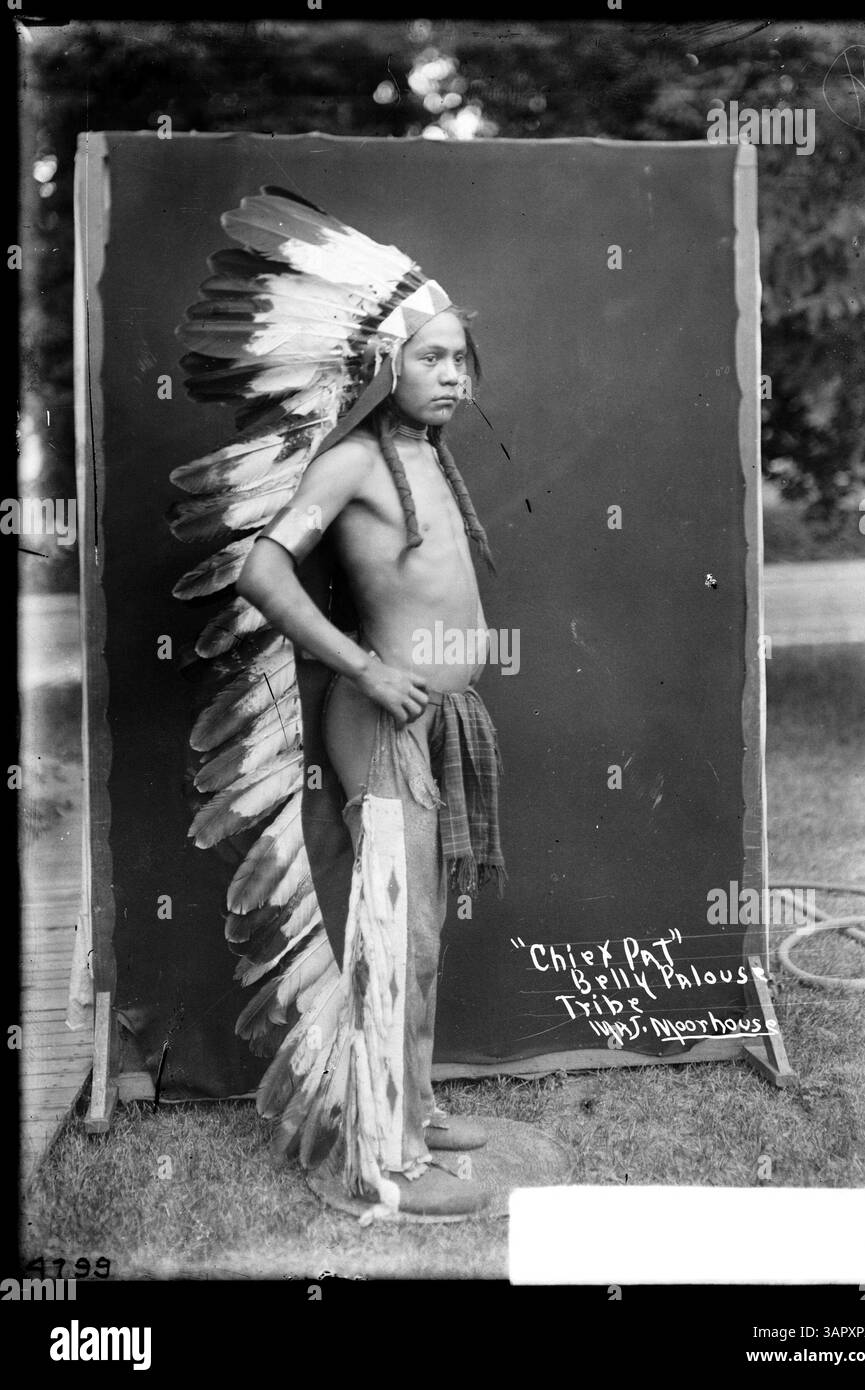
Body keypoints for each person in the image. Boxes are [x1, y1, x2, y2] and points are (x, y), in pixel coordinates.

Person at [235, 304, 506, 1217]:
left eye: (461, 359)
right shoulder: (350, 462)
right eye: (432, 357)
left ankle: (413, 1109)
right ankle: (381, 1155)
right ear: (388, 364)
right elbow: (262, 574)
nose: (453, 375)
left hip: (438, 719)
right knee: (397, 936)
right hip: (381, 720)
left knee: (420, 939)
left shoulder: (430, 457)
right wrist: (365, 667)